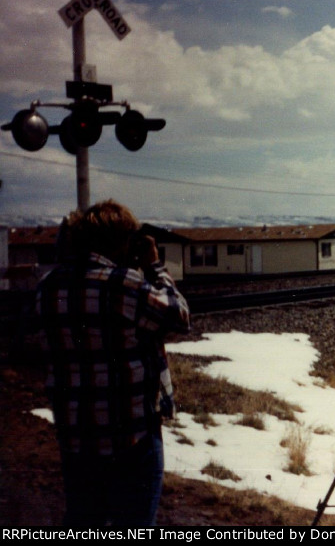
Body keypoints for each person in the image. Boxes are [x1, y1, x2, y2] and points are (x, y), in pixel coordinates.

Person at [35, 200, 190, 527]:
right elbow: (179, 317)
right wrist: (155, 267)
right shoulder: (124, 284)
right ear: (118, 240)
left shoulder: (47, 288)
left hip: (76, 439)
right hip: (131, 438)